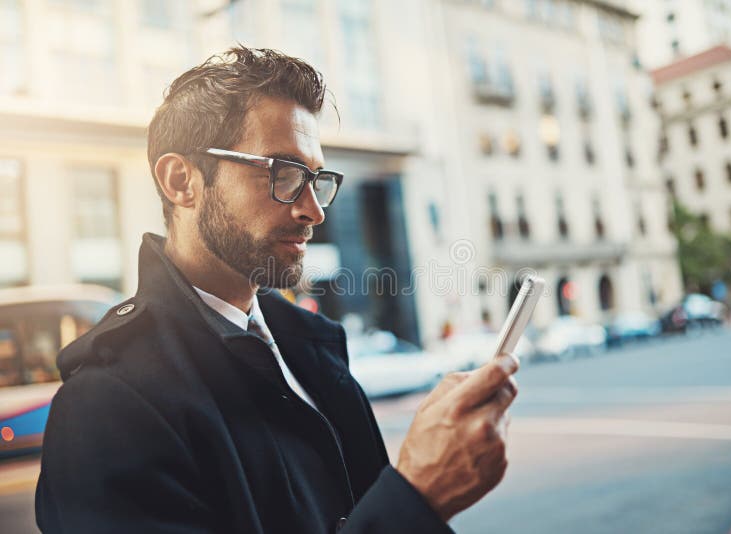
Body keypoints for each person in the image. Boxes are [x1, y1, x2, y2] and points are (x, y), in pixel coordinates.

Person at [35, 47, 519, 533]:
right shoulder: (106, 406)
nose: (315, 211)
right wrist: (417, 495)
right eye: (283, 174)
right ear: (182, 181)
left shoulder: (311, 345)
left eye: (316, 179)